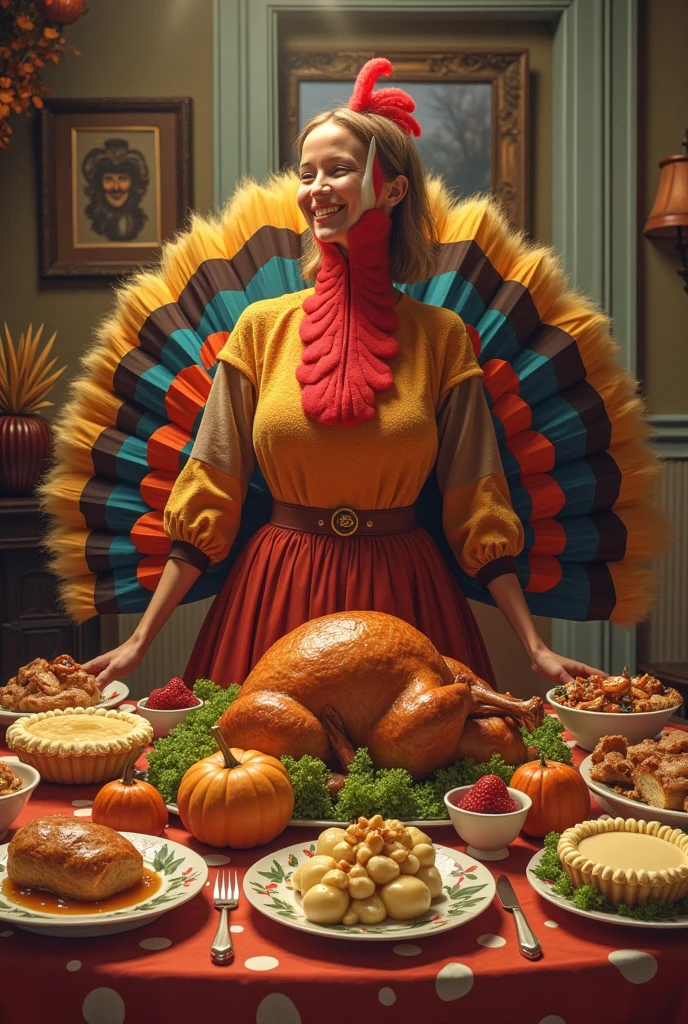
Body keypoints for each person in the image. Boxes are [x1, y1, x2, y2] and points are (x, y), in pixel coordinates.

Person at [79, 59, 618, 692]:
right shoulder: (258, 329)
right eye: (306, 174)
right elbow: (212, 491)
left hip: (406, 599)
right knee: (259, 778)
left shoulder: (442, 339)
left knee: (412, 770)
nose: (315, 189)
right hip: (274, 596)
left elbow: (478, 502)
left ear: (391, 188)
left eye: (338, 169)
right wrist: (141, 641)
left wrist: (536, 649)